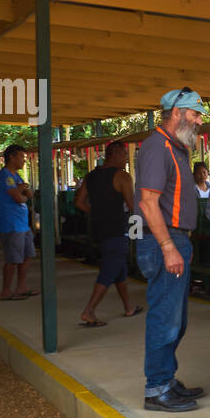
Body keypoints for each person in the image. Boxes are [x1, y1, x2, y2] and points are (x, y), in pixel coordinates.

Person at [136, 88, 207, 412]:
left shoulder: (176, 148)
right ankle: (157, 388)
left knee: (175, 319)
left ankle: (166, 378)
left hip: (175, 240)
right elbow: (148, 202)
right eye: (195, 114)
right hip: (164, 240)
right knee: (166, 317)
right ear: (177, 113)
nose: (199, 121)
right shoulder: (157, 147)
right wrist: (168, 246)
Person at [75, 141, 142, 328]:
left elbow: (79, 202)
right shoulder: (122, 177)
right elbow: (132, 206)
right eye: (124, 155)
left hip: (99, 230)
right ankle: (89, 310)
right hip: (117, 230)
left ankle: (128, 306)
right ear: (115, 154)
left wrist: (96, 213)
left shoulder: (91, 176)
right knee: (108, 271)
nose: (125, 160)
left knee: (118, 269)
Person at [0, 145, 37, 300]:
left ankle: (21, 286)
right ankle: (6, 291)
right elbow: (20, 198)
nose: (24, 160)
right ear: (12, 157)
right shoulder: (5, 176)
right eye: (22, 157)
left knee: (27, 255)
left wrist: (22, 191)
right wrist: (21, 193)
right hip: (10, 223)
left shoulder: (16, 177)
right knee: (12, 259)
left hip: (22, 224)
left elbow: (29, 193)